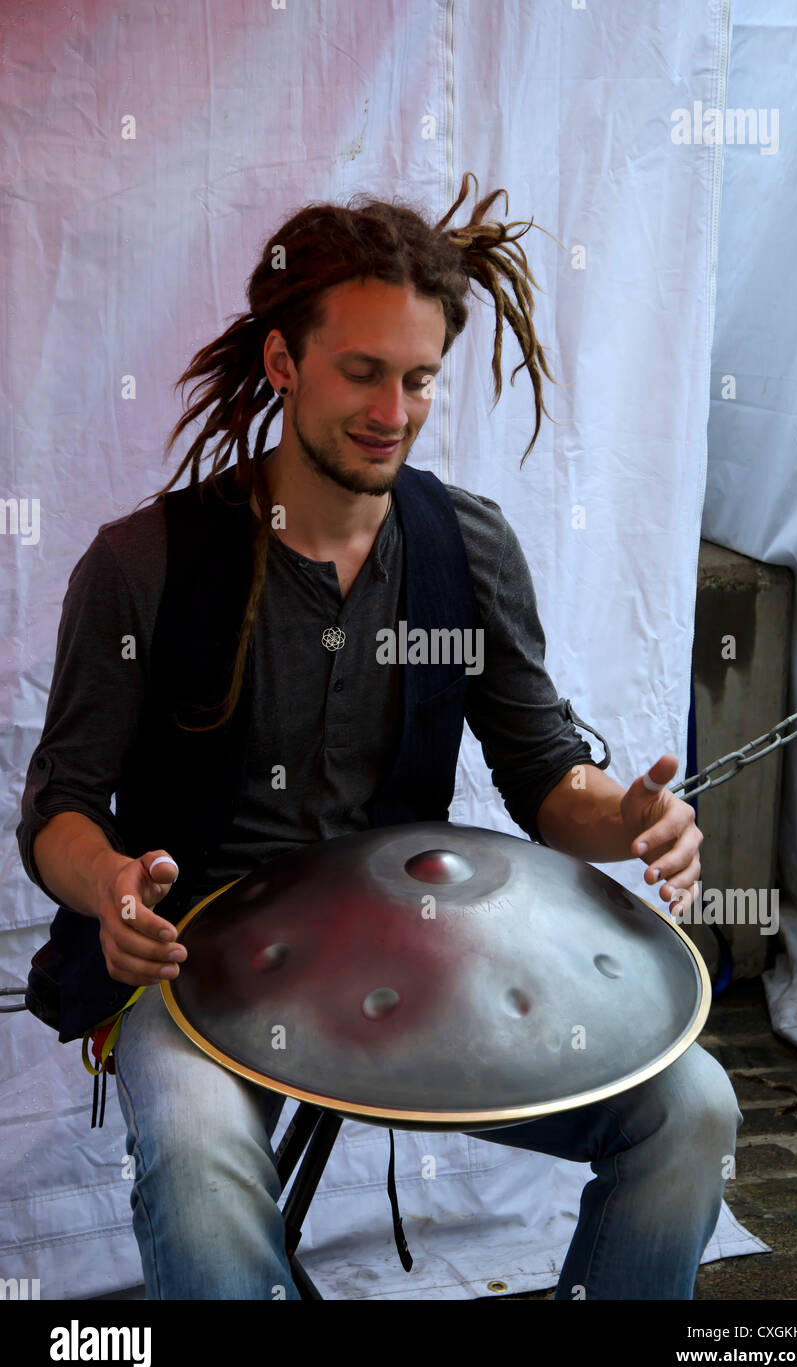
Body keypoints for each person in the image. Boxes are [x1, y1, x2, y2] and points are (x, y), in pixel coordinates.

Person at [17, 172, 742, 1301]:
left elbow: (547, 776)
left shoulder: (468, 549)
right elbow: (58, 806)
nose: (391, 410)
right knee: (204, 1168)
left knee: (692, 1105)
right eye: (361, 371)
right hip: (199, 961)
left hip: (412, 952)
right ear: (284, 363)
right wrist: (110, 881)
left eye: (418, 379)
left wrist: (632, 819)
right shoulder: (141, 564)